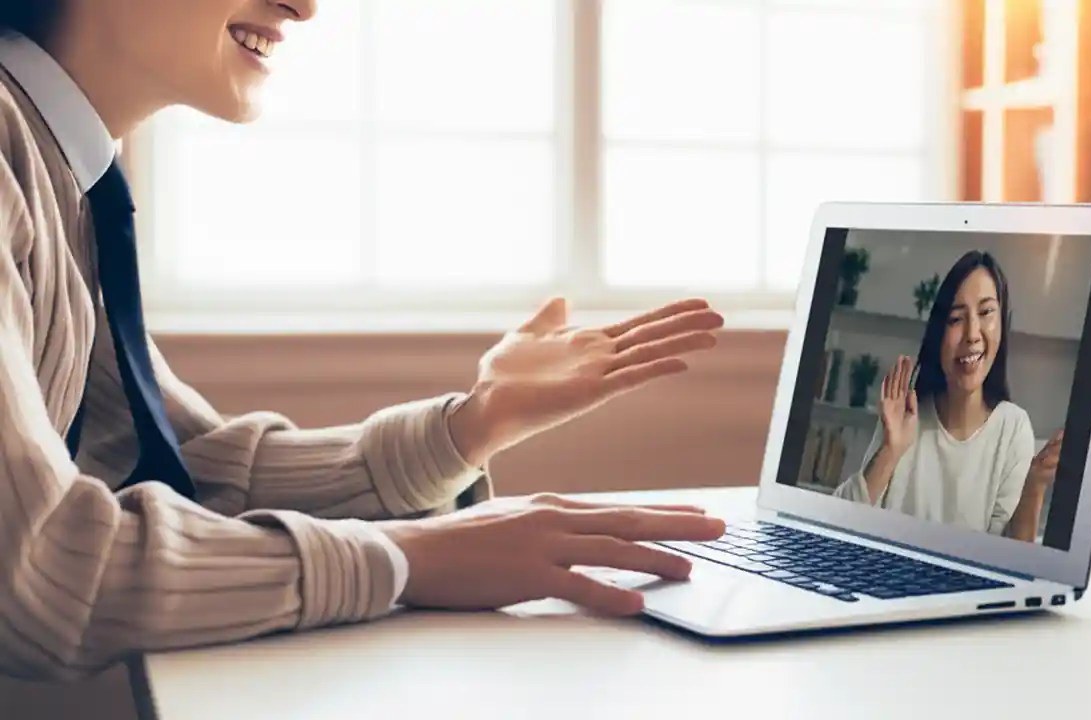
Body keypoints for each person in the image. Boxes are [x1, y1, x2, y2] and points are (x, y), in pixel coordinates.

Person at [0, 0, 728, 681]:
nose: (305, 5)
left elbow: (181, 471)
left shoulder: (60, 169)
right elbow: (39, 573)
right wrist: (410, 560)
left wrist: (469, 425)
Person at [831, 250, 1062, 541]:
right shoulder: (907, 416)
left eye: (987, 312)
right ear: (938, 333)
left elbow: (1009, 559)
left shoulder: (1013, 428)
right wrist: (890, 451)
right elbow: (837, 527)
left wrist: (1034, 488)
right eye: (956, 319)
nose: (972, 334)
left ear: (1002, 324)